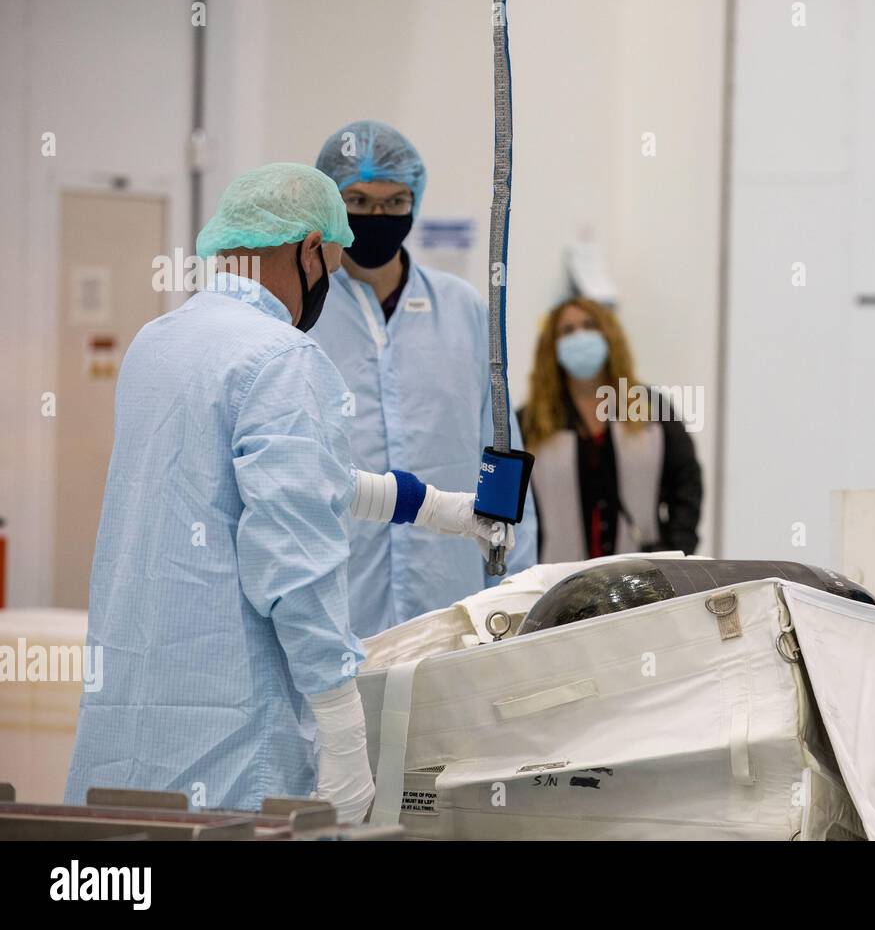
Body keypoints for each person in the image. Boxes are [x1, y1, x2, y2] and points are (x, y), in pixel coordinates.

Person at [64, 163, 510, 818]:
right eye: (329, 264)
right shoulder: (280, 357)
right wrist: (340, 722)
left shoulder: (158, 343)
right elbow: (295, 558)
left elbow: (273, 482)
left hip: (131, 721)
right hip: (232, 736)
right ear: (307, 250)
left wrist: (436, 508)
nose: (327, 281)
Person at [310, 120, 537, 637]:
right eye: (359, 200)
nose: (377, 216)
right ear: (330, 205)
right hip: (336, 601)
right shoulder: (304, 313)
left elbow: (498, 449)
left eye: (395, 202)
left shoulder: (461, 310)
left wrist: (517, 587)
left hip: (451, 598)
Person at [520, 296, 702, 561]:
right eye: (567, 330)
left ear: (608, 336)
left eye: (590, 325)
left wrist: (676, 552)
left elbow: (687, 481)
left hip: (644, 578)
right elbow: (516, 509)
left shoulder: (651, 408)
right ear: (551, 346)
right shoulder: (530, 422)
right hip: (558, 581)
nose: (580, 336)